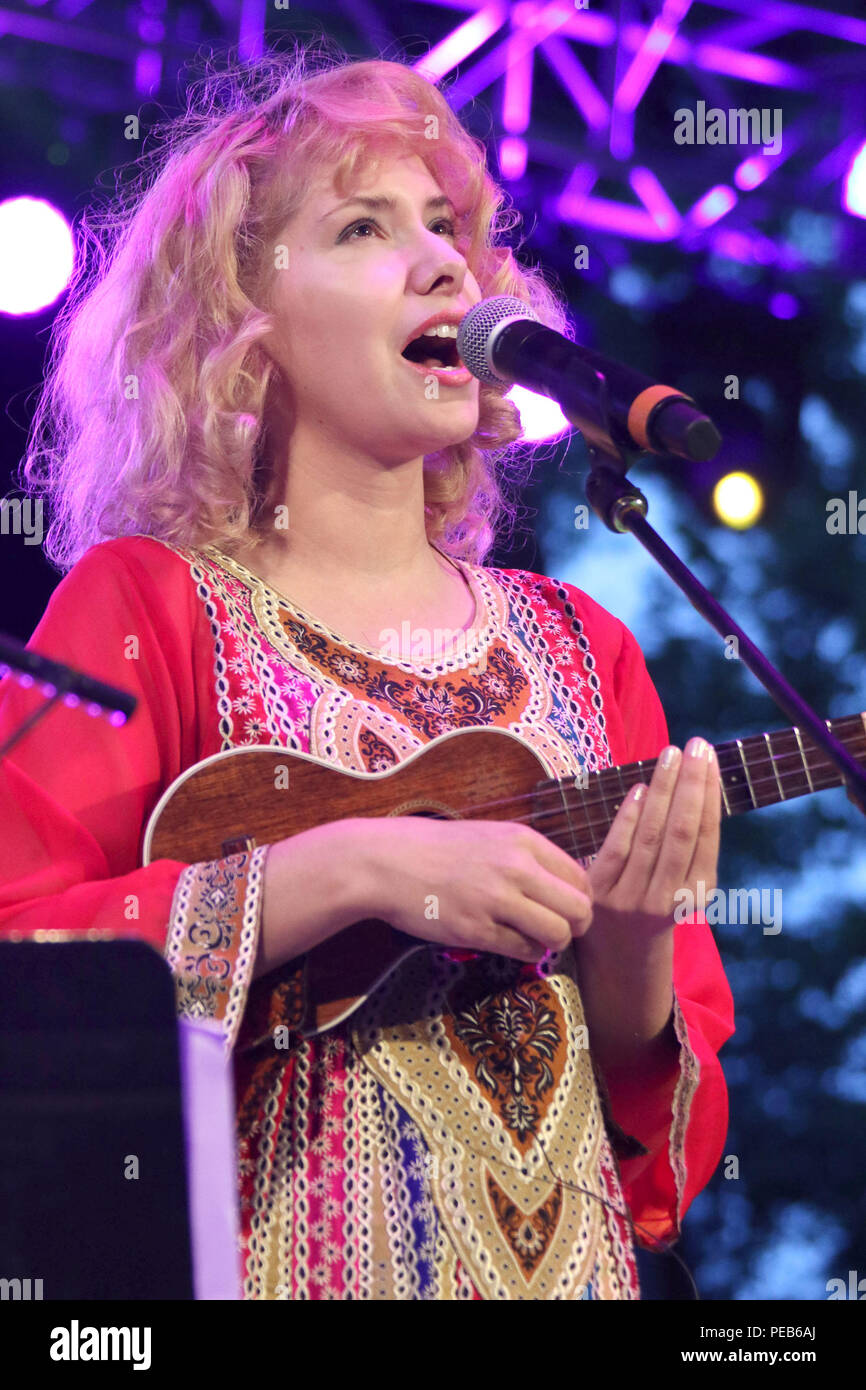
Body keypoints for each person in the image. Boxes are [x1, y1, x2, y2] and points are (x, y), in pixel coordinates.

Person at [0, 44, 734, 1300]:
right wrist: (349, 868)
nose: (447, 261)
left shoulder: (581, 644)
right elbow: (28, 963)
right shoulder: (150, 605)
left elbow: (660, 1145)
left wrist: (627, 944)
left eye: (447, 225)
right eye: (362, 226)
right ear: (242, 325)